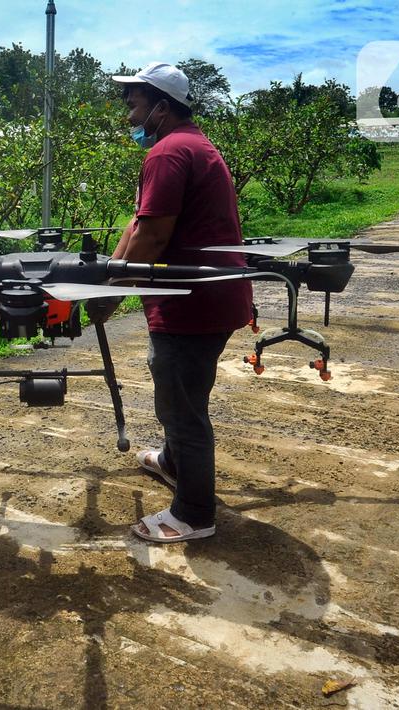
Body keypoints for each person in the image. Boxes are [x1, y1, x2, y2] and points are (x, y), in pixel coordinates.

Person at [94, 62, 253, 543]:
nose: (129, 115)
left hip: (192, 302)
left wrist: (111, 293)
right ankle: (172, 463)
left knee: (181, 405)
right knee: (183, 391)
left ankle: (194, 513)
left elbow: (154, 236)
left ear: (161, 107)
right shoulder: (190, 145)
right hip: (207, 298)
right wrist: (109, 277)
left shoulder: (168, 152)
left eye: (135, 104)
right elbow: (139, 224)